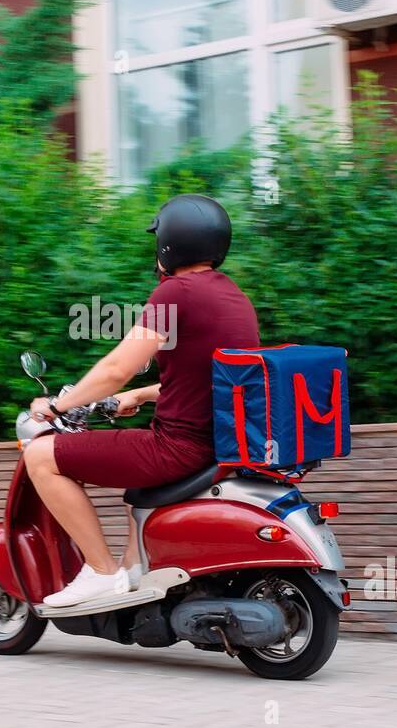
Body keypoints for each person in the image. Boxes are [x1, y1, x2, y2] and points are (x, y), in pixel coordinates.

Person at [23, 194, 260, 607]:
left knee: (41, 456)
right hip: (218, 445)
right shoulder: (234, 297)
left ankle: (99, 571)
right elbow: (206, 380)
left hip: (178, 448)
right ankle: (135, 572)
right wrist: (134, 397)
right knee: (130, 465)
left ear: (169, 244)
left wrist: (57, 407)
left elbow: (118, 367)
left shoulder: (175, 292)